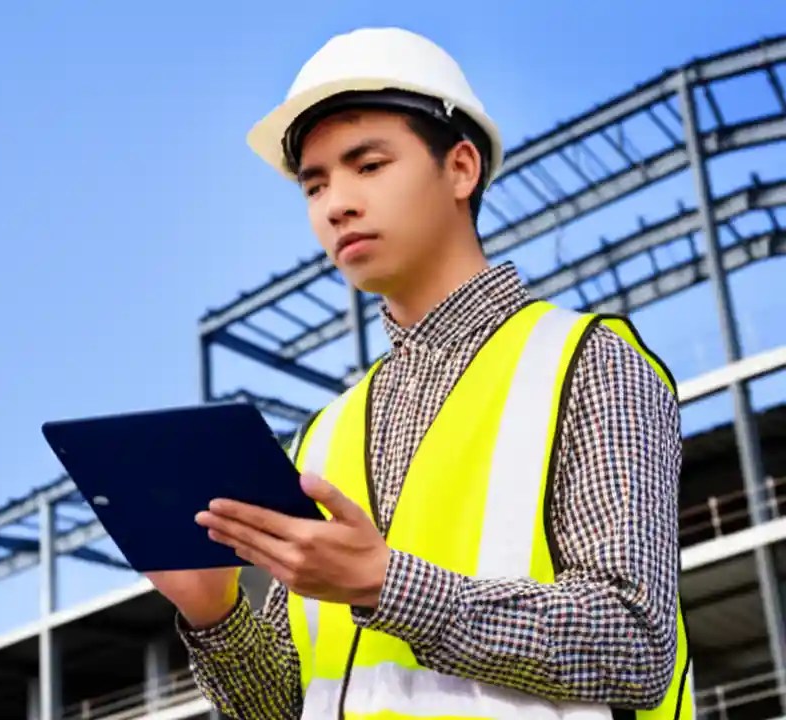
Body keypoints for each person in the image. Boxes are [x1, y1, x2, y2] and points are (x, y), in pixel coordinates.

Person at [143, 26, 693, 720]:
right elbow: (287, 706)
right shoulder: (324, 437)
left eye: (368, 165)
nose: (335, 204)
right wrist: (214, 614)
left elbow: (636, 644)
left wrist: (386, 585)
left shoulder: (587, 363)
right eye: (315, 186)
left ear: (461, 168)